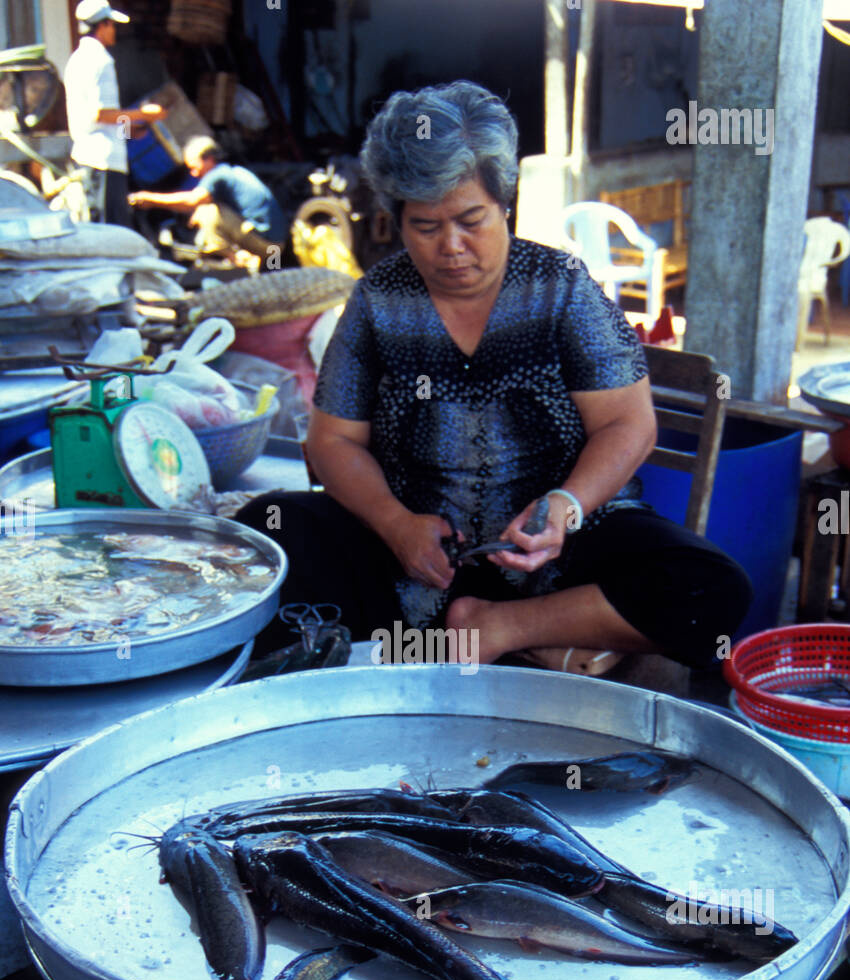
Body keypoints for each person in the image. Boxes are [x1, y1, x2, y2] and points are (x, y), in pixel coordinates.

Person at [235, 81, 752, 673]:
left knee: (710, 587)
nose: (451, 247)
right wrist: (396, 524)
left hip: (559, 551)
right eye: (426, 227)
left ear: (503, 203)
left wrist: (566, 506)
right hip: (415, 557)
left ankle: (502, 629)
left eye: (470, 219)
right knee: (265, 533)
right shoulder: (378, 302)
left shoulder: (562, 289)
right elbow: (332, 441)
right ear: (396, 220)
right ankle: (554, 645)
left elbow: (628, 423)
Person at [63, 1, 165, 226]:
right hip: (103, 160)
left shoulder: (76, 60)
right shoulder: (101, 60)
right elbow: (102, 113)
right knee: (112, 229)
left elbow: (98, 117)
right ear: (103, 25)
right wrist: (145, 114)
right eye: (112, 25)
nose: (114, 31)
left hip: (90, 156)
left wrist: (130, 129)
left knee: (101, 225)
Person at [128, 136, 285, 267]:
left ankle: (236, 259)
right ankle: (243, 257)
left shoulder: (218, 175)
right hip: (275, 244)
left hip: (268, 243)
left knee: (207, 211)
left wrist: (149, 198)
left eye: (194, 167)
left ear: (209, 159)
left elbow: (191, 201)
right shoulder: (234, 171)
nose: (194, 174)